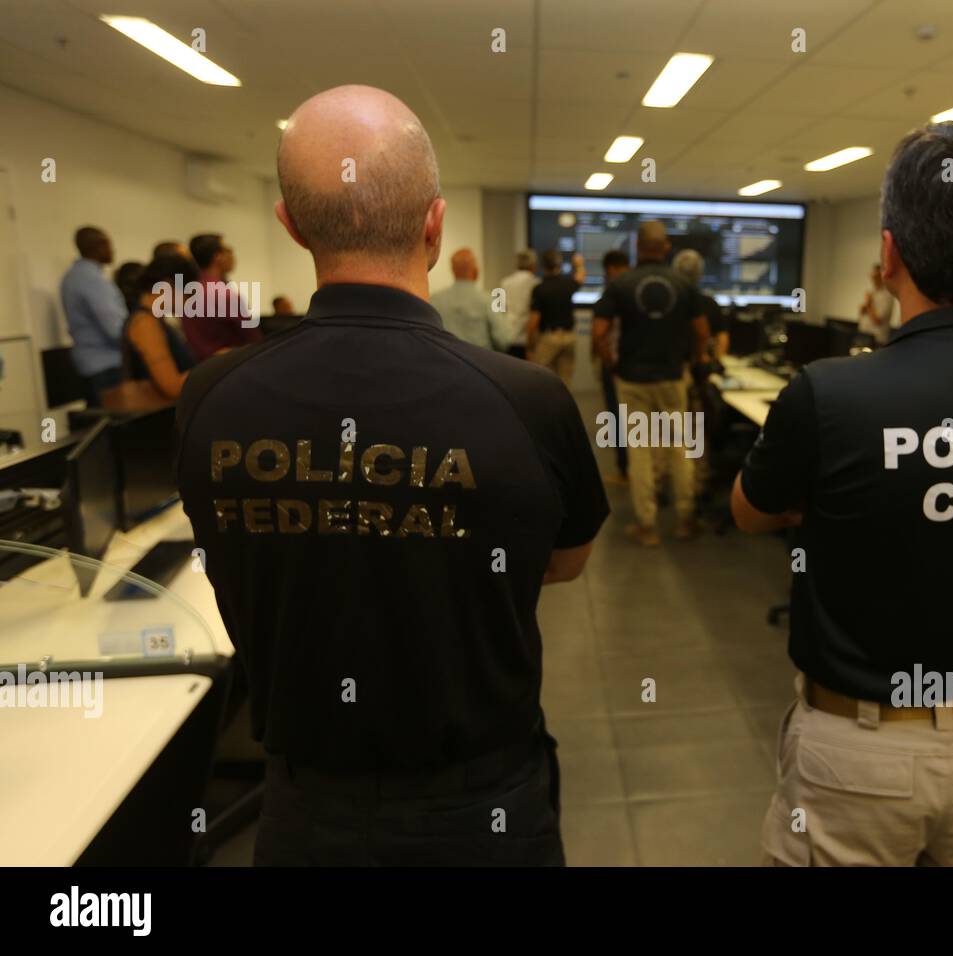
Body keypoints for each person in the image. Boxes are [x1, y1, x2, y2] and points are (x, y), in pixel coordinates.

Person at [176, 84, 608, 867]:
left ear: (292, 224)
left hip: (303, 814)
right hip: (484, 812)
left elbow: (233, 552)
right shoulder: (529, 400)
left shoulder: (211, 396)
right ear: (435, 223)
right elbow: (564, 562)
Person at [731, 119, 953, 866]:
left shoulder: (830, 395)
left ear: (888, 252)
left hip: (858, 753)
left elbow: (748, 510)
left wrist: (838, 499)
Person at [592, 221, 710, 546]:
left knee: (641, 452)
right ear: (666, 247)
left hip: (633, 380)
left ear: (637, 246)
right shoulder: (684, 285)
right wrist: (695, 359)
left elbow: (599, 333)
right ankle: (686, 519)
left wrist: (612, 363)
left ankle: (647, 526)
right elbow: (702, 332)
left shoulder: (621, 284)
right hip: (672, 378)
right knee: (679, 448)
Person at [108, 254, 195, 407]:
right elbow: (172, 386)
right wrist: (213, 367)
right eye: (189, 293)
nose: (190, 301)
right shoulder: (145, 324)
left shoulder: (153, 320)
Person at [58, 226, 128, 396]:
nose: (113, 250)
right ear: (98, 247)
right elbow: (115, 329)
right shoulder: (91, 280)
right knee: (115, 419)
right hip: (105, 365)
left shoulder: (73, 276)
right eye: (109, 245)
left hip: (91, 364)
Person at [182, 232, 262, 360]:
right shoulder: (225, 295)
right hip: (232, 369)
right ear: (217, 256)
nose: (232, 255)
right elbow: (254, 341)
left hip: (203, 371)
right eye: (228, 250)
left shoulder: (188, 293)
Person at [593, 249, 630, 482]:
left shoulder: (613, 291)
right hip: (640, 365)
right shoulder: (639, 287)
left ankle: (624, 470)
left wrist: (608, 363)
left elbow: (599, 335)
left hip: (616, 365)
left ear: (610, 269)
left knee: (617, 418)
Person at [527, 249, 584, 383]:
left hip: (549, 338)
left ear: (543, 266)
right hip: (569, 337)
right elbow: (580, 278)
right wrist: (579, 264)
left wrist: (529, 345)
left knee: (543, 381)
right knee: (565, 382)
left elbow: (534, 320)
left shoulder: (540, 289)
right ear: (559, 265)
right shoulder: (568, 284)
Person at [429, 248, 494, 349]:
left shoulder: (434, 299)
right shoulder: (488, 299)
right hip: (479, 361)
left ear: (453, 269)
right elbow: (503, 339)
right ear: (475, 269)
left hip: (444, 361)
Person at [672, 249, 727, 359]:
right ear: (700, 274)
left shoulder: (668, 302)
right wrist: (716, 362)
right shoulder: (710, 304)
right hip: (701, 364)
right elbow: (722, 338)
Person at [498, 250, 539, 359]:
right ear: (533, 265)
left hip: (507, 337)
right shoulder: (536, 283)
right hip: (526, 339)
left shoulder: (504, 282)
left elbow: (497, 309)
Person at [858, 262, 895, 347]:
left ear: (882, 277)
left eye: (876, 276)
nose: (873, 278)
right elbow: (863, 313)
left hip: (876, 340)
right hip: (864, 335)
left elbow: (877, 320)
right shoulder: (872, 292)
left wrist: (869, 304)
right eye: (872, 275)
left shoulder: (887, 295)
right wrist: (864, 307)